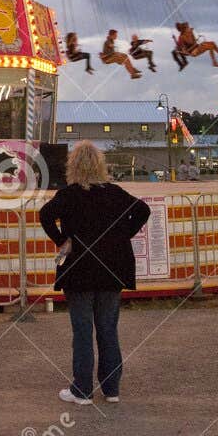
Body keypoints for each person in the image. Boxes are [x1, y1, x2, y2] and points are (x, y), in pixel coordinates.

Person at [38, 141, 151, 404]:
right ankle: (111, 389)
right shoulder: (114, 193)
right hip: (112, 268)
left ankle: (82, 389)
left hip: (79, 269)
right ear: (101, 165)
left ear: (72, 166)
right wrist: (123, 235)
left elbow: (45, 215)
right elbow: (143, 210)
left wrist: (61, 240)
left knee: (82, 330)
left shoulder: (68, 195)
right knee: (108, 329)